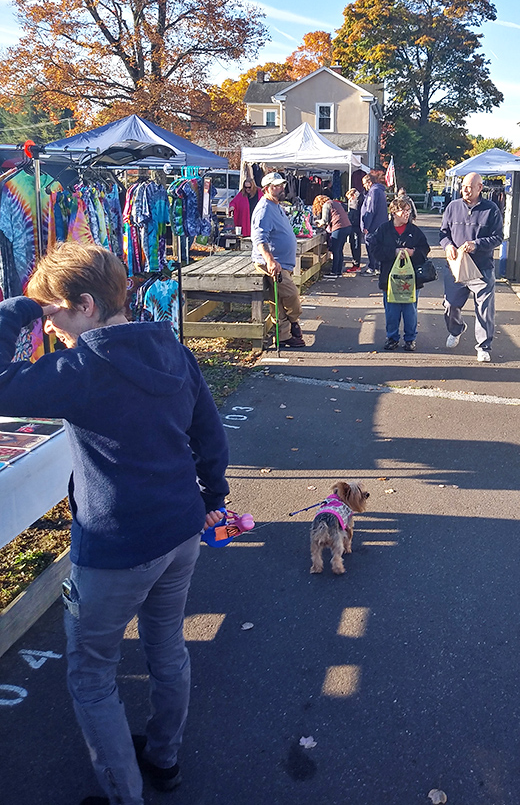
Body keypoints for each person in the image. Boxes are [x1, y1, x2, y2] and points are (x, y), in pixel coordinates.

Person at [0, 243, 230, 805]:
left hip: (115, 546)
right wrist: (213, 495)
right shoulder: (169, 346)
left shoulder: (83, 368)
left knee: (92, 675)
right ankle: (164, 759)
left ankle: (126, 794)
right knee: (167, 648)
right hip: (180, 530)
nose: (50, 327)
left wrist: (16, 311)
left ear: (85, 304)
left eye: (54, 312)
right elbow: (210, 432)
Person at [439, 171, 503, 363]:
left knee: (484, 308)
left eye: (469, 187)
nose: (465, 190)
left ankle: (483, 346)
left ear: (480, 188)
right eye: (463, 186)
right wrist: (447, 245)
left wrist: (477, 244)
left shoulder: (491, 209)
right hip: (456, 267)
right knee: (450, 305)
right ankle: (456, 329)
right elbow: (443, 233)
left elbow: (498, 237)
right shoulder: (452, 207)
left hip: (481, 268)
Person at [251, 172, 306, 348]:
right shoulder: (264, 208)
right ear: (267, 189)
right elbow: (259, 237)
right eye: (276, 186)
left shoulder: (276, 206)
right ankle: (294, 322)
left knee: (280, 301)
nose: (281, 188)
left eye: (282, 185)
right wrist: (270, 260)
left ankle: (283, 336)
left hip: (283, 261)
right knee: (290, 295)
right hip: (271, 262)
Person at [373, 196, 430, 351]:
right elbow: (375, 250)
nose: (407, 214)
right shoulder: (384, 230)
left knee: (410, 310)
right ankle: (392, 338)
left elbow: (425, 249)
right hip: (390, 278)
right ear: (394, 212)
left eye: (408, 210)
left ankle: (410, 339)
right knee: (391, 311)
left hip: (411, 279)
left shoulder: (414, 231)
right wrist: (394, 252)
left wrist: (413, 252)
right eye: (403, 210)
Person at [313, 193, 352, 278]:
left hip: (338, 228)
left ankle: (334, 272)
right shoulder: (335, 203)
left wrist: (316, 223)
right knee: (339, 250)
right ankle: (339, 271)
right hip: (347, 227)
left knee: (335, 250)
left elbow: (324, 221)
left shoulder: (327, 205)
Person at [360, 172, 388, 275]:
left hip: (373, 226)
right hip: (379, 224)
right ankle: (377, 267)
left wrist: (366, 226)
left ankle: (373, 267)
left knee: (371, 247)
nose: (364, 186)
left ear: (369, 182)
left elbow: (370, 210)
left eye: (364, 183)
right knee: (377, 246)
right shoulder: (379, 191)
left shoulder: (373, 192)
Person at [345, 187, 363, 272]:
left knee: (355, 245)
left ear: (352, 196)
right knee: (355, 244)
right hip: (356, 225)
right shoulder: (359, 199)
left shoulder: (355, 202)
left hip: (355, 225)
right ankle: (356, 264)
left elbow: (354, 213)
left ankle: (356, 264)